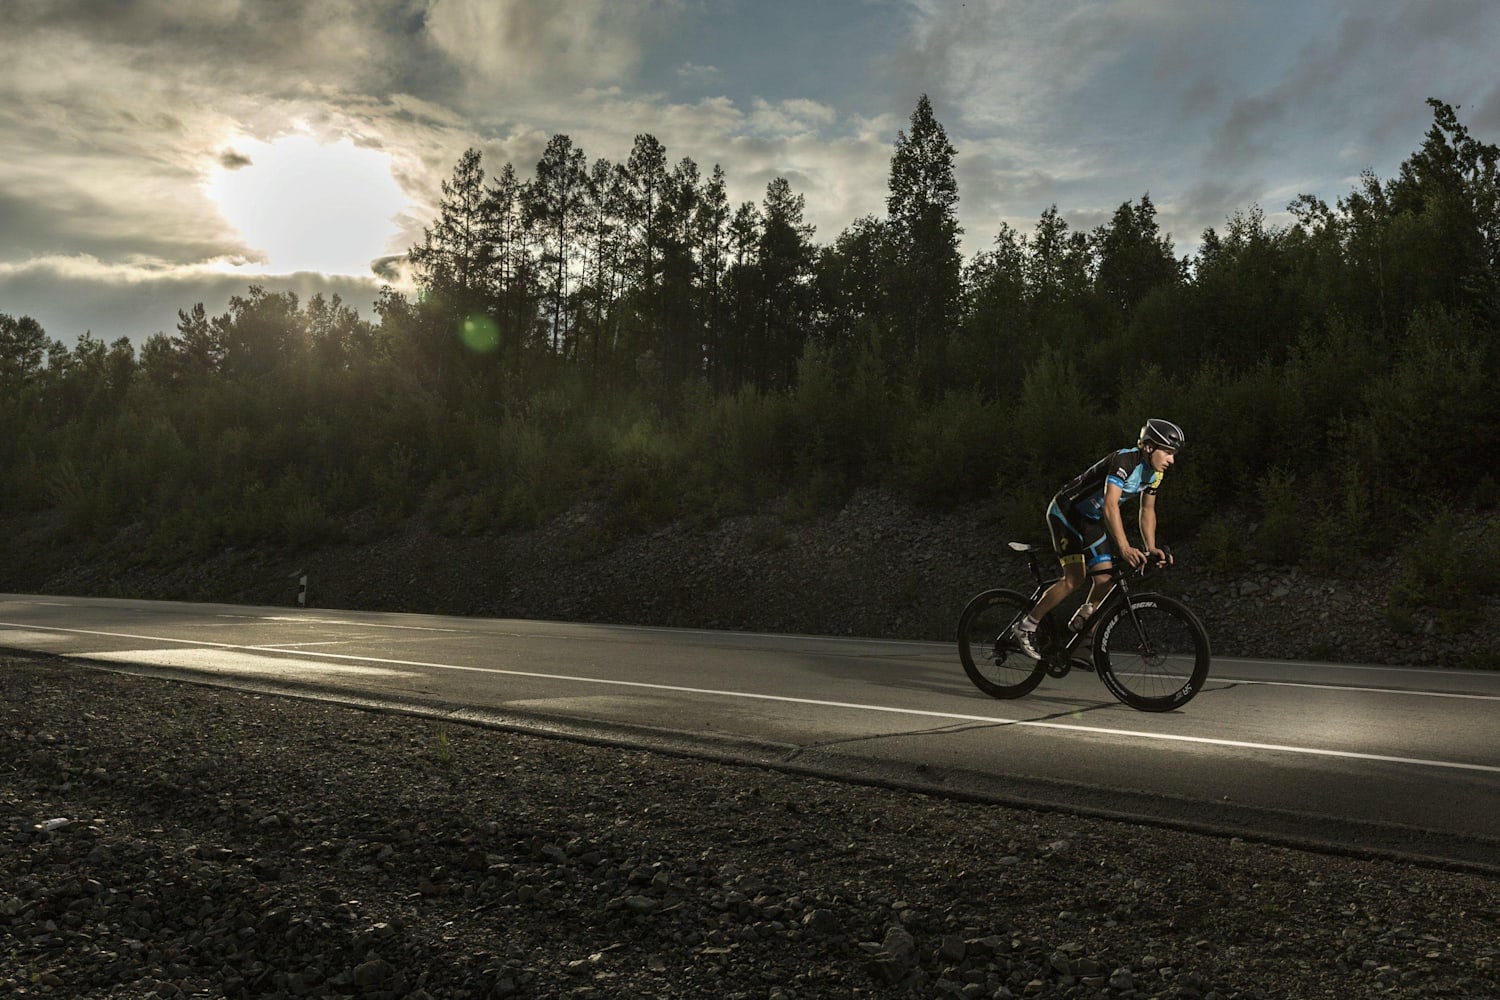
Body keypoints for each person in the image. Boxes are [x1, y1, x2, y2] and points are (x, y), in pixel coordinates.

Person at [1011, 418, 1185, 662]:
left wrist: (1151, 548)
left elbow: (1147, 511)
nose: (1171, 460)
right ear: (1148, 447)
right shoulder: (1124, 461)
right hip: (1066, 512)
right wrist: (1124, 548)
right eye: (1167, 452)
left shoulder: (1154, 475)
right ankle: (1026, 626)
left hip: (1089, 519)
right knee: (1075, 578)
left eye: (1174, 454)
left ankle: (1083, 636)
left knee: (1106, 578)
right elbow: (1111, 506)